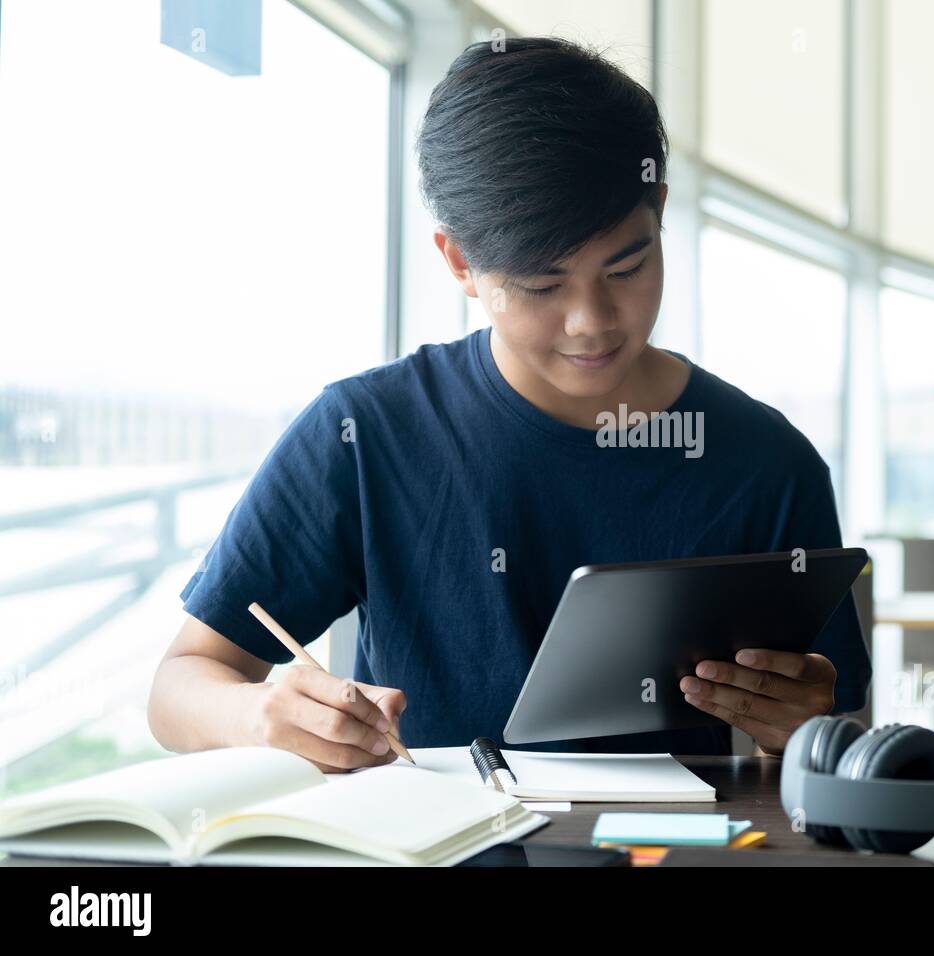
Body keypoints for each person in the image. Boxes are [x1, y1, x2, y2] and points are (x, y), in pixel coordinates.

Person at [147, 36, 869, 773]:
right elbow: (177, 687)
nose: (591, 320)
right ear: (461, 262)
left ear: (658, 207)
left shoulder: (766, 462)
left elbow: (836, 727)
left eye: (627, 266)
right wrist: (263, 713)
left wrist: (800, 726)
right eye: (540, 287)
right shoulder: (366, 434)